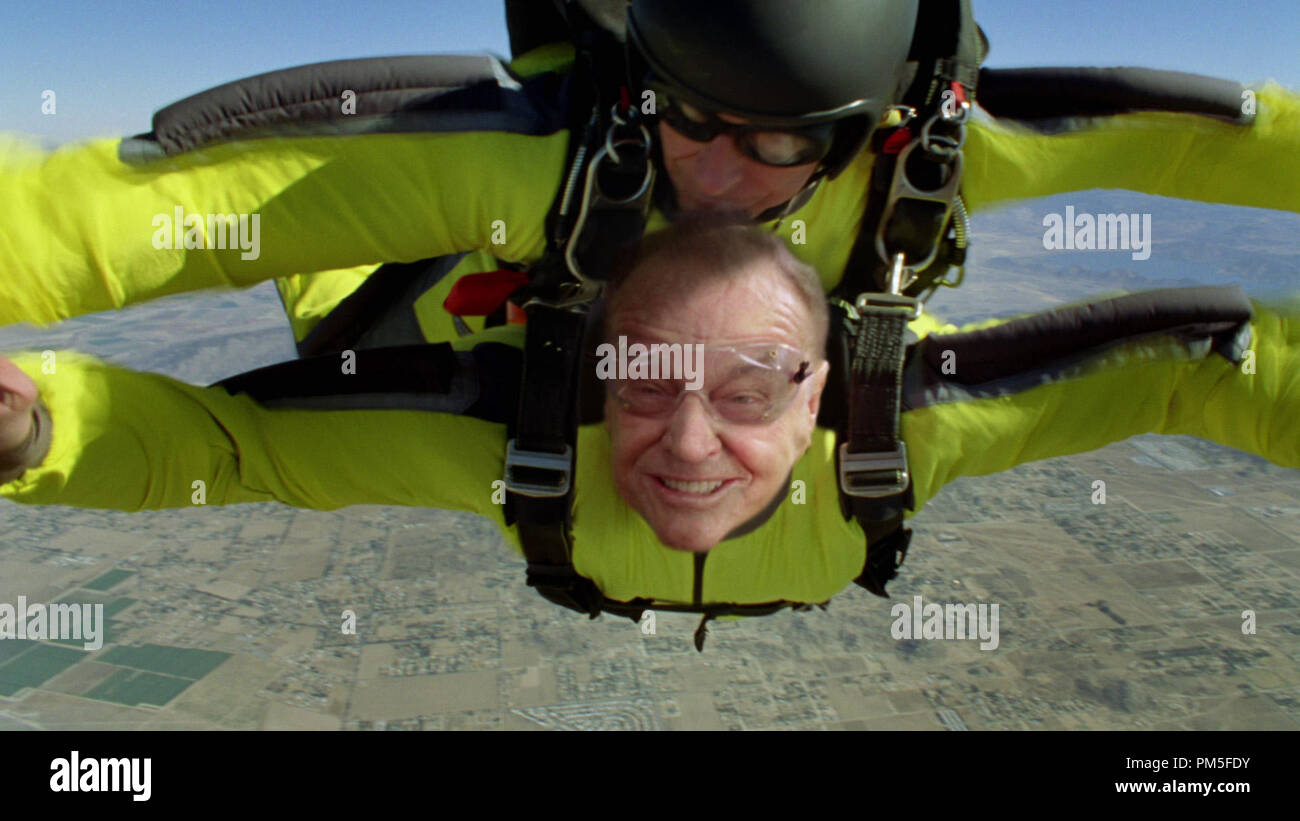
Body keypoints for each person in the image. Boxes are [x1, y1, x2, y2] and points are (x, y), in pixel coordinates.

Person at [2, 222, 1298, 637]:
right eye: (644, 377)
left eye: (747, 391)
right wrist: (34, 430)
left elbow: (1195, 360)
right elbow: (232, 450)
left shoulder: (910, 426)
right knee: (348, 329)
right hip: (446, 313)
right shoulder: (505, 431)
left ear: (823, 394)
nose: (684, 446)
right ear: (592, 375)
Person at [0, 0, 1296, 350]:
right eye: (694, 116)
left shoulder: (933, 162)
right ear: (640, 88)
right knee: (355, 338)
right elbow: (118, 217)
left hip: (792, 379)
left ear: (870, 131)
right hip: (508, 327)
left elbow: (1209, 138)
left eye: (787, 141)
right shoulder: (537, 154)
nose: (725, 169)